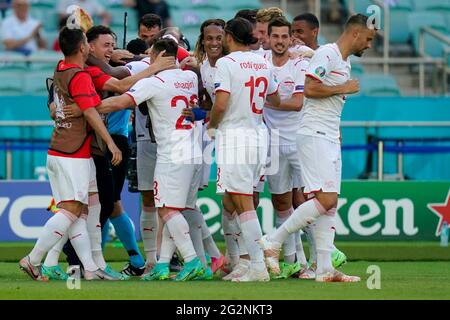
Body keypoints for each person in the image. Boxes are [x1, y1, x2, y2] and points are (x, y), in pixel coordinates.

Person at [259, 14, 377, 282]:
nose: (369, 45)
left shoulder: (342, 61)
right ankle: (273, 240)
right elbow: (309, 88)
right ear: (356, 34)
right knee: (325, 200)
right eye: (368, 39)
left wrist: (337, 133)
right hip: (314, 134)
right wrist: (344, 87)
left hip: (329, 135)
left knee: (329, 205)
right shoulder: (327, 53)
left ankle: (324, 268)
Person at [19, 27, 122, 281]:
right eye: (87, 42)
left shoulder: (61, 69)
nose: (88, 45)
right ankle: (33, 260)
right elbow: (90, 112)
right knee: (71, 210)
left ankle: (89, 266)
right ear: (82, 48)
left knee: (81, 211)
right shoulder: (79, 75)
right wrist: (111, 144)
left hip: (67, 149)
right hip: (71, 153)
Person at [98, 38, 205, 281]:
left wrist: (89, 106)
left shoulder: (154, 82)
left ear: (157, 57)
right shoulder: (189, 77)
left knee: (166, 210)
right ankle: (163, 264)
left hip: (170, 153)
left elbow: (120, 101)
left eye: (150, 56)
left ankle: (191, 259)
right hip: (193, 150)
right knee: (173, 209)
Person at [207, 17, 280, 282]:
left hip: (235, 135)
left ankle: (258, 266)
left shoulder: (226, 63)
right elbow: (275, 96)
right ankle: (242, 261)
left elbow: (221, 102)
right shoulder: (263, 61)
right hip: (259, 134)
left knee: (243, 202)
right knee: (232, 201)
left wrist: (211, 126)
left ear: (228, 36)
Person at [263, 17, 309, 279]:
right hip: (272, 143)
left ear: (291, 38)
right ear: (268, 38)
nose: (279, 41)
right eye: (275, 36)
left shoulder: (299, 64)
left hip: (298, 140)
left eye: (284, 37)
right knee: (281, 202)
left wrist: (266, 103)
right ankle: (293, 262)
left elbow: (297, 103)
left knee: (309, 200)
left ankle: (321, 260)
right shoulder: (261, 63)